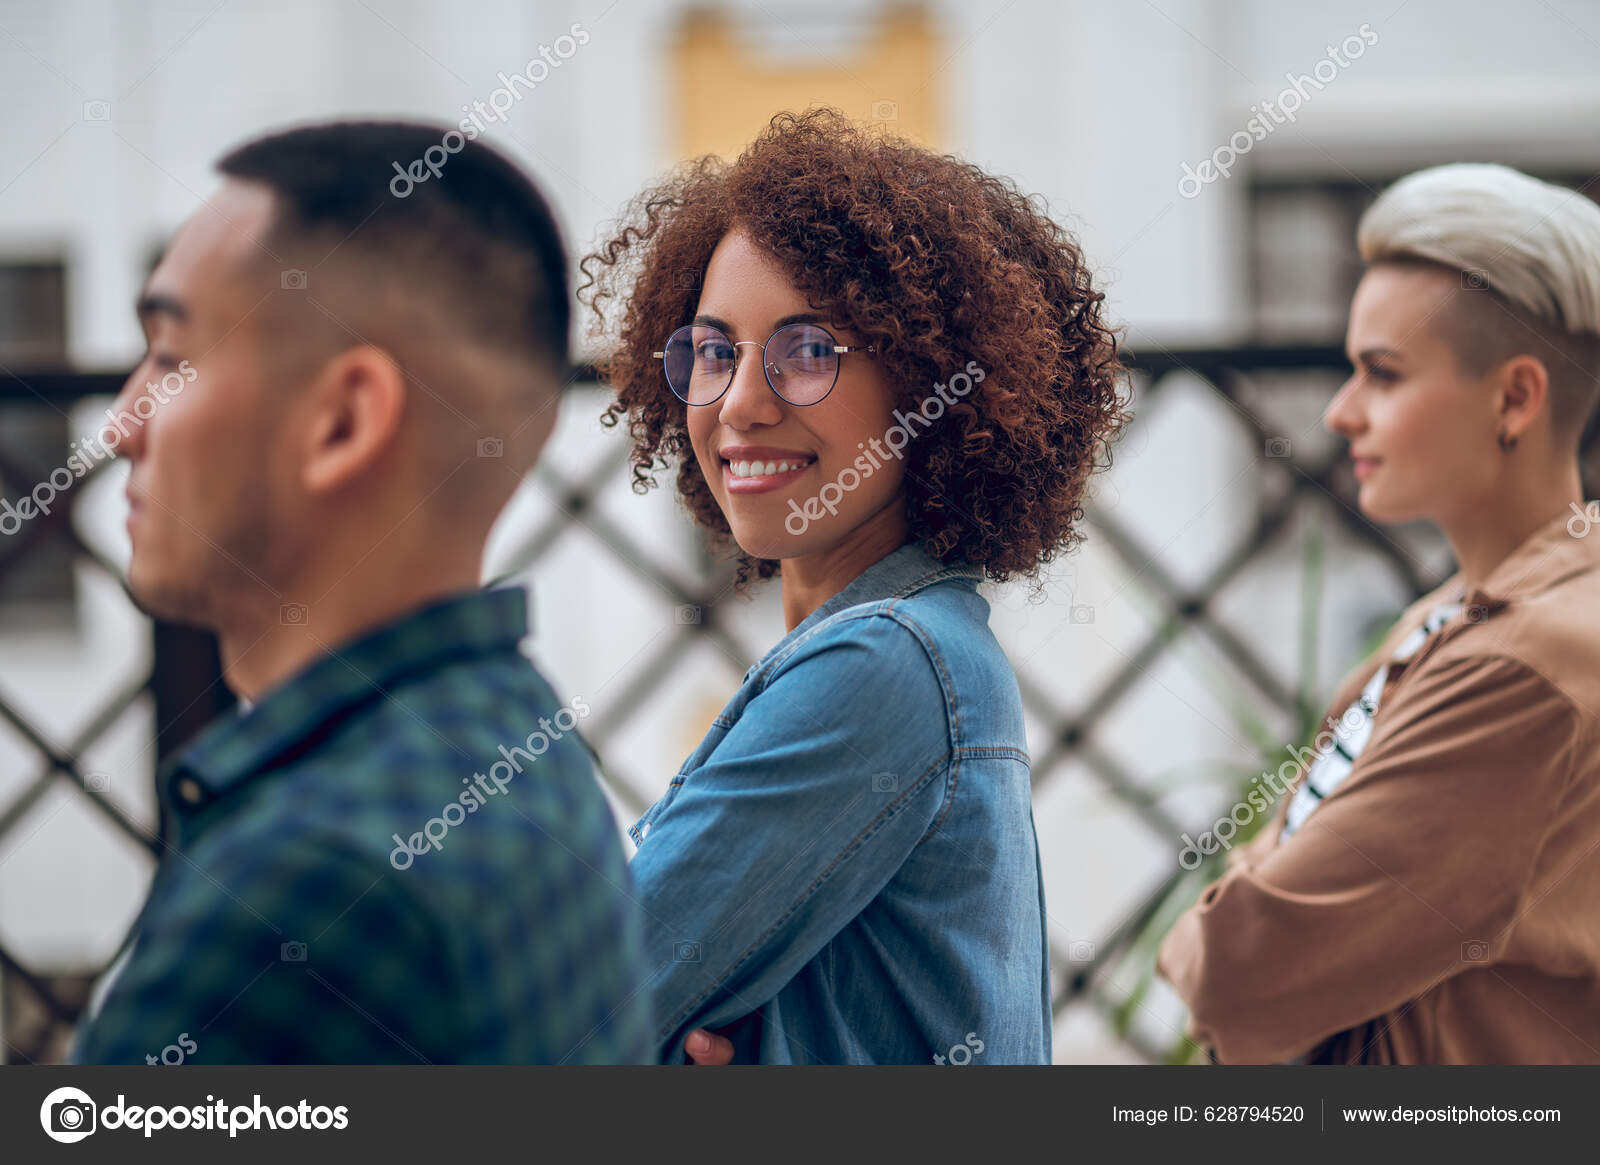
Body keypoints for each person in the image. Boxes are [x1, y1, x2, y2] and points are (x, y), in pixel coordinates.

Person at [70, 122, 651, 1064]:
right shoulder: (523, 736)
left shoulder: (298, 894)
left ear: (343, 422)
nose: (121, 427)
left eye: (172, 359)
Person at [581, 110, 1128, 1064]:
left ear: (931, 381)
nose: (741, 403)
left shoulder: (887, 662)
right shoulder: (923, 642)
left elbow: (563, 1013)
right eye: (714, 350)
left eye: (807, 350)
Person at [1159, 163, 1600, 1064]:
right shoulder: (1454, 614)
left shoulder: (1526, 664)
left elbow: (1240, 969)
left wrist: (1209, 932)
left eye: (1383, 375)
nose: (1340, 411)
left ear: (1515, 397)